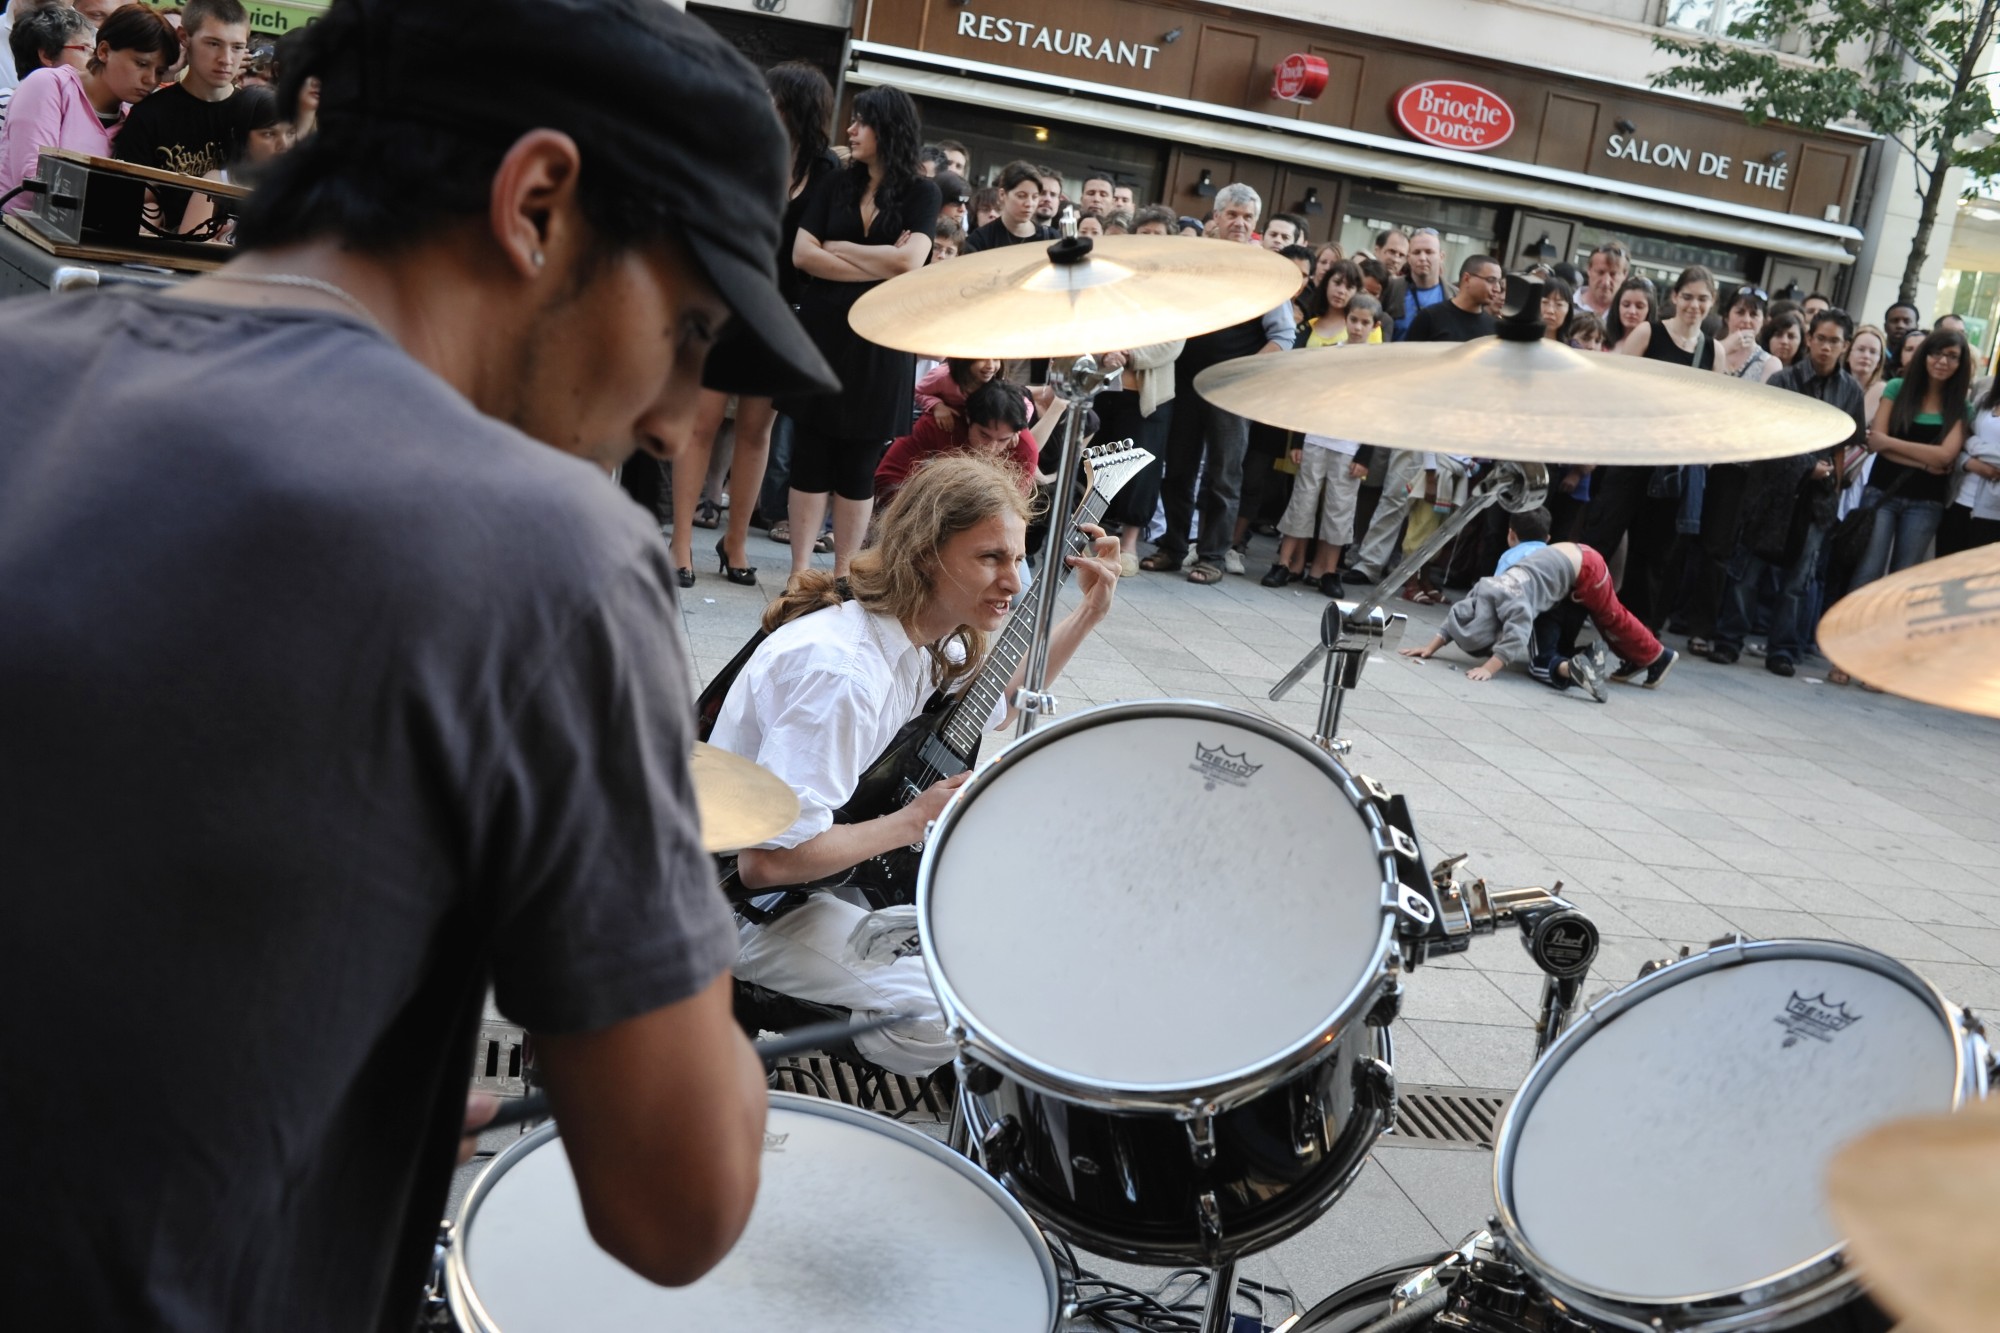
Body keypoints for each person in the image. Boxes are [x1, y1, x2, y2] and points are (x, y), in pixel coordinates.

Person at [0, 0, 845, 1322]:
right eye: (687, 332)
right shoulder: (548, 552)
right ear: (540, 203)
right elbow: (679, 1204)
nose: (681, 423)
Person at [714, 455, 1122, 1076]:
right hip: (732, 908)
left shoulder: (921, 637)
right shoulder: (844, 676)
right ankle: (750, 1011)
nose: (1014, 581)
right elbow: (765, 863)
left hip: (815, 879)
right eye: (991, 558)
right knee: (944, 1014)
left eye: (1018, 558)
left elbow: (1000, 703)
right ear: (927, 555)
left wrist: (1088, 612)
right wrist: (911, 822)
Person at [671, 60, 835, 587]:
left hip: (783, 312)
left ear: (796, 106)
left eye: (773, 96)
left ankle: (735, 540)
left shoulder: (827, 170)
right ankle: (679, 542)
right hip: (726, 302)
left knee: (755, 432)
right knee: (701, 422)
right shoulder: (741, 150)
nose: (762, 102)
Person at [780, 84, 939, 578]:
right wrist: (881, 260)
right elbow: (803, 255)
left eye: (861, 121)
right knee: (809, 454)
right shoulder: (835, 181)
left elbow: (911, 261)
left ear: (887, 128)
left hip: (881, 338)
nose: (850, 130)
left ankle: (846, 574)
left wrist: (840, 246)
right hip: (823, 329)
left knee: (857, 462)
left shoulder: (922, 191)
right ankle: (801, 570)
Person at [1141, 181, 1294, 584]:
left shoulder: (1266, 269)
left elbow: (1283, 338)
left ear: (1256, 223)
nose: (1240, 223)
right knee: (1178, 471)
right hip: (1186, 381)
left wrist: (1240, 374)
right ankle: (1172, 547)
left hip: (1230, 388)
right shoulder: (1198, 259)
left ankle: (1211, 556)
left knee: (1225, 476)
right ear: (1217, 217)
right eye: (1233, 215)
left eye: (1248, 217)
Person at [1711, 309, 1866, 675]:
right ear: (1809, 339)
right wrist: (1805, 466)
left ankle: (1782, 649)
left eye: (1835, 341)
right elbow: (1768, 436)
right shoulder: (1784, 380)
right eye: (1821, 339)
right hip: (1771, 490)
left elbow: (1849, 444)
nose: (1827, 347)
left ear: (1844, 346)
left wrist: (1833, 480)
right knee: (1748, 571)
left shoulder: (1849, 390)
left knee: (1799, 579)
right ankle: (1729, 640)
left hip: (1818, 498)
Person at [1401, 520, 1675, 696]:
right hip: (1573, 557)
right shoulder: (1487, 586)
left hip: (1586, 571)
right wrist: (1430, 647)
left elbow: (1515, 637)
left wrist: (1489, 667)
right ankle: (1634, 657)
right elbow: (1457, 616)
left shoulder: (1513, 603)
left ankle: (1657, 656)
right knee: (1605, 620)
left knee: (1611, 619)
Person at [1, 5, 179, 214]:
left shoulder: (132, 118)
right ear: (103, 51)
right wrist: (134, 193)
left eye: (159, 72)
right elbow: (35, 181)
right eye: (141, 63)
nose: (150, 79)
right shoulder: (49, 85)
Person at [1263, 294, 1383, 592]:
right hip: (1317, 436)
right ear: (1346, 320)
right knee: (1302, 499)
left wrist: (1365, 454)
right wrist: (1300, 439)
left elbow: (1375, 412)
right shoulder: (1329, 353)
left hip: (1350, 444)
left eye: (1364, 323)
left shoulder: (1377, 365)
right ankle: (1284, 562)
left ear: (1374, 326)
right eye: (1353, 320)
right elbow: (1309, 399)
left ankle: (1327, 571)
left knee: (1340, 507)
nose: (1357, 327)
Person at [113, 0, 258, 232]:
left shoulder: (255, 116)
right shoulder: (149, 114)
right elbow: (138, 202)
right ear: (184, 37)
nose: (226, 59)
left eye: (237, 47)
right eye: (213, 43)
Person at [1851, 327, 1971, 587]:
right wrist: (1925, 461)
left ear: (1961, 364)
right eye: (1935, 353)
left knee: (1903, 580)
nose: (1942, 361)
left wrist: (1891, 444)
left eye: (1952, 356)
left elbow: (1945, 457)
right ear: (1924, 356)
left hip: (1926, 502)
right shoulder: (1897, 388)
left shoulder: (1961, 406)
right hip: (1881, 492)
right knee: (1867, 572)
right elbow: (1875, 441)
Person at [876, 378, 1039, 503]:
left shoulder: (1025, 449)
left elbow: (1014, 507)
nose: (991, 447)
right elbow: (888, 478)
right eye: (984, 435)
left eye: (1003, 440)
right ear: (968, 418)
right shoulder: (940, 424)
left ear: (1016, 433)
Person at [1942, 374, 2000, 554]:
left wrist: (1972, 444)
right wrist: (1968, 463)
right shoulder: (1985, 399)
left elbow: (1967, 439)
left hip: (1994, 511)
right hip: (1959, 498)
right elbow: (1957, 442)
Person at [961, 158, 1053, 253]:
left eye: (1035, 197)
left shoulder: (1050, 237)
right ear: (1002, 194)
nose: (1029, 204)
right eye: (1021, 196)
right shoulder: (980, 239)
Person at [1406, 253, 1500, 342]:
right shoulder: (1430, 317)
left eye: (1498, 282)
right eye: (1491, 280)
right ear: (1467, 279)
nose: (1497, 289)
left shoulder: (1494, 327)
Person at [1714, 285, 1777, 382]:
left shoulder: (1770, 364)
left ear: (1763, 321)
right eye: (1740, 312)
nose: (1747, 320)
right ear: (1727, 317)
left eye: (1754, 314)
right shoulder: (1710, 349)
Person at [1395, 227, 1449, 340]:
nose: (1422, 258)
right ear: (1408, 258)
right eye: (1416, 252)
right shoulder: (1392, 289)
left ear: (1441, 257)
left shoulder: (1455, 296)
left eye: (1429, 252)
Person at [1574, 241, 1629, 318]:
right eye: (1600, 272)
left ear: (1625, 275)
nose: (1606, 282)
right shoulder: (1566, 305)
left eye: (1613, 274)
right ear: (1589, 269)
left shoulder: (1629, 316)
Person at [1883, 301, 1920, 368]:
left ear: (1916, 327)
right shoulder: (1874, 356)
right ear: (1885, 327)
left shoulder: (1923, 359)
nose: (1900, 326)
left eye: (1907, 321)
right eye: (1895, 321)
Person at [1539, 274, 1575, 343]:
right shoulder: (1521, 341)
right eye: (1544, 302)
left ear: (1568, 310)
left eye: (1559, 304)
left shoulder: (1572, 349)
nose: (1550, 311)